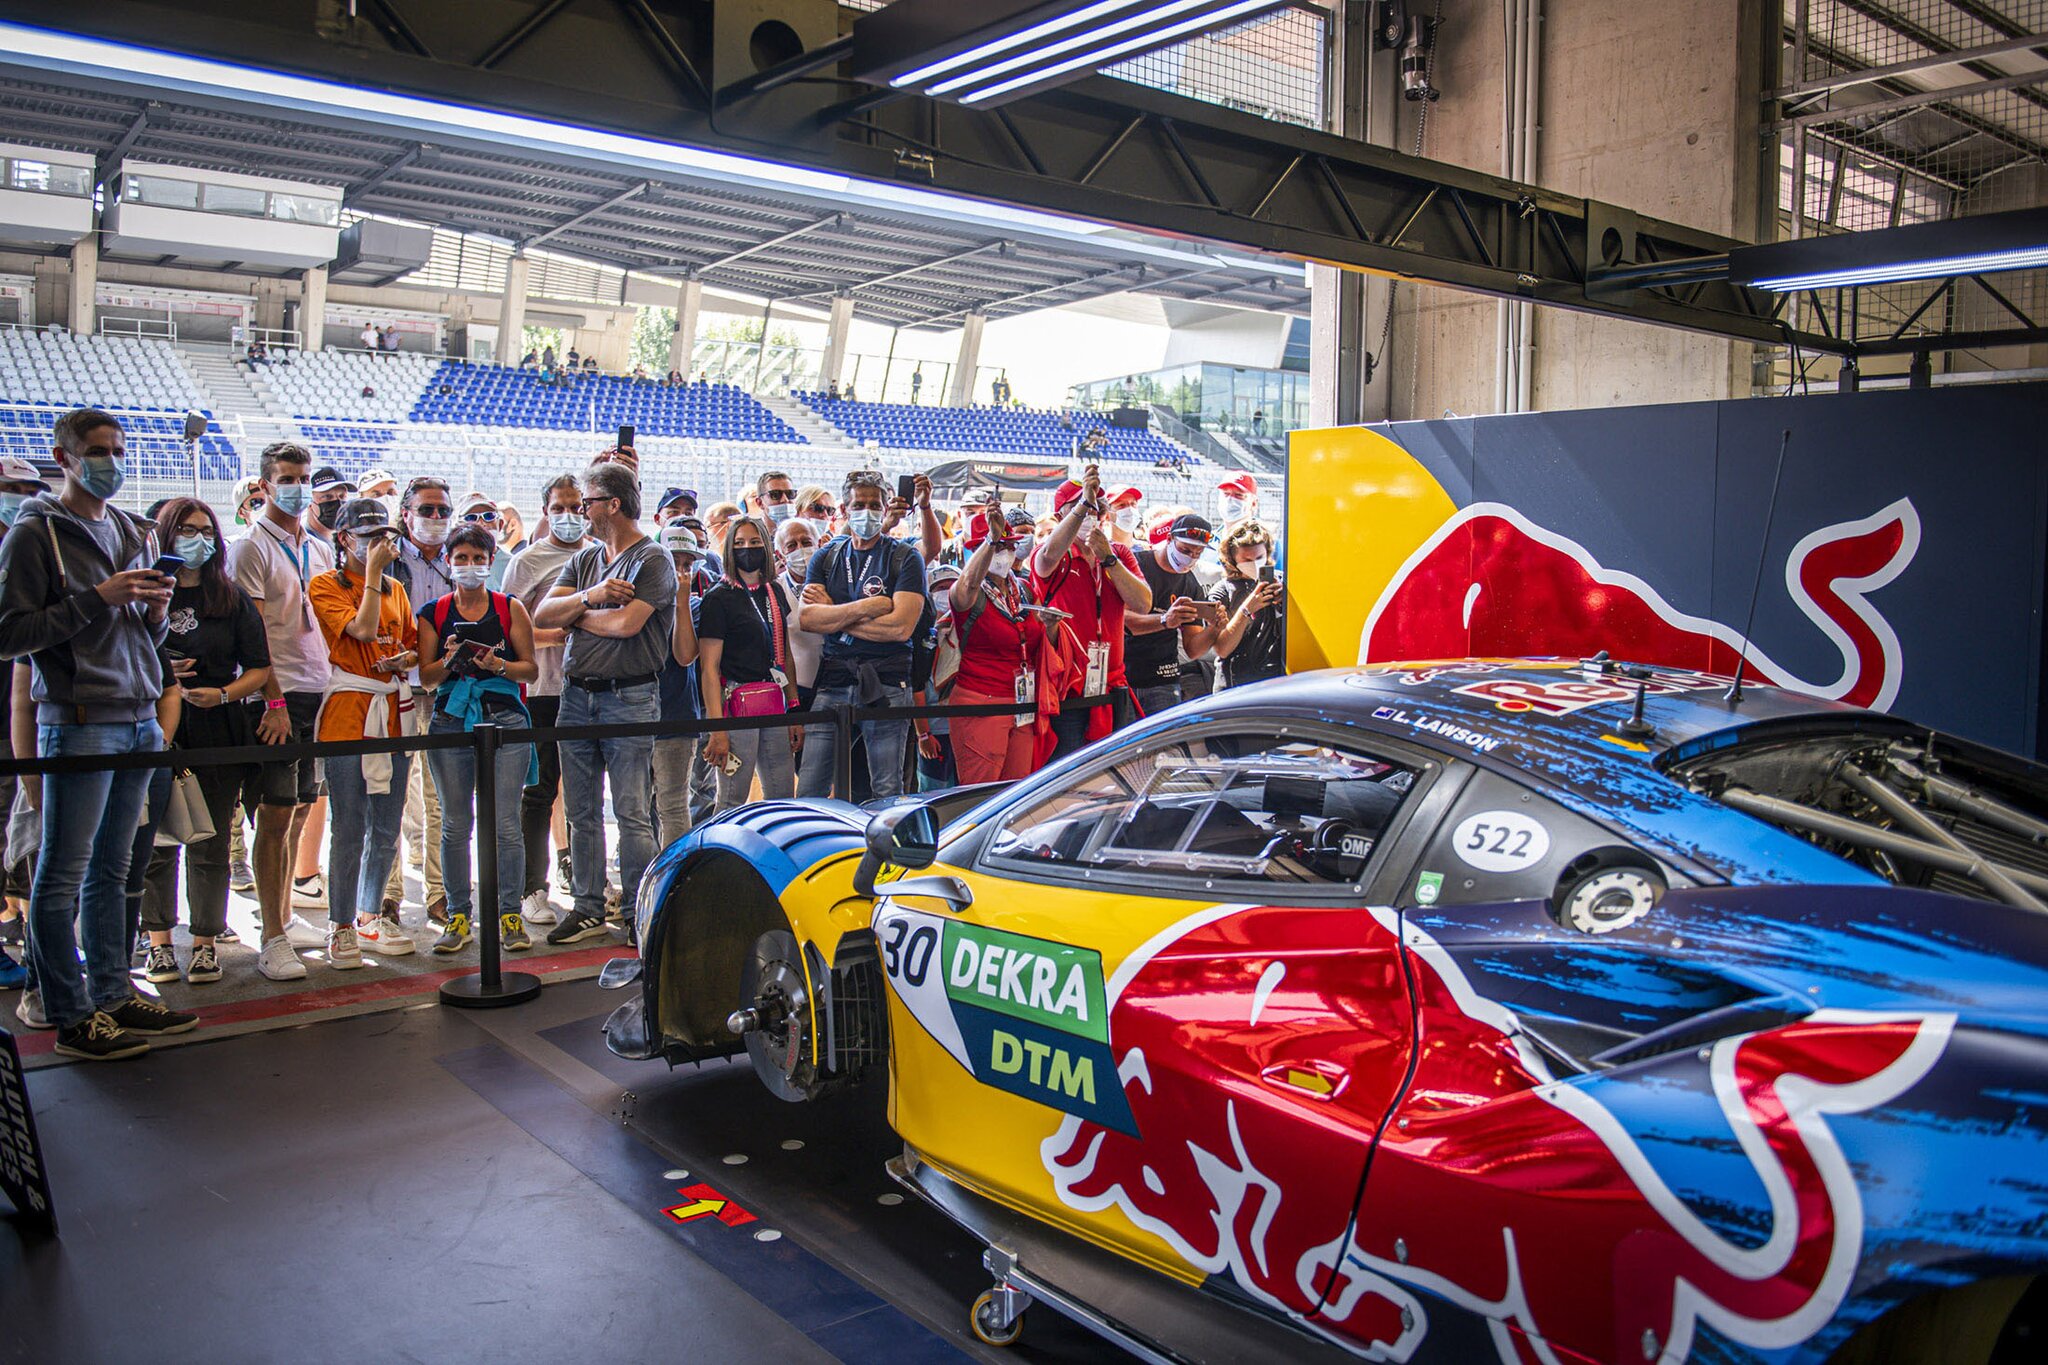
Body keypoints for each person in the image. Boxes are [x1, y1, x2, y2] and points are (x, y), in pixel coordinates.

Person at [0, 408, 196, 1059]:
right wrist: (99, 598)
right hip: (80, 721)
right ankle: (68, 1012)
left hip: (139, 716)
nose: (111, 460)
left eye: (117, 449)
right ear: (65, 457)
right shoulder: (34, 533)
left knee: (117, 868)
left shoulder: (129, 528)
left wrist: (155, 612)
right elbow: (11, 634)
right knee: (62, 872)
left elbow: (141, 636)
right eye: (98, 450)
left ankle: (113, 991)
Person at [532, 460, 678, 946]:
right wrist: (591, 597)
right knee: (581, 812)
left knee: (632, 812)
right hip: (576, 696)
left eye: (587, 503)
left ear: (612, 505)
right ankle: (588, 906)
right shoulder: (587, 561)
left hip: (630, 696)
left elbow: (626, 625)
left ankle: (638, 910)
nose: (581, 512)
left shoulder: (653, 559)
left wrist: (576, 615)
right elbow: (543, 613)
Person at [140, 498, 270, 986]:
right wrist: (161, 671)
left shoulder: (230, 598)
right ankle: (158, 942)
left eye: (205, 530)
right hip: (157, 725)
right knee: (156, 841)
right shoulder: (146, 591)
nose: (198, 539)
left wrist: (223, 694)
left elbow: (259, 667)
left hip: (218, 726)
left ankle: (204, 943)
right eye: (186, 530)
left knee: (210, 840)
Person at [227, 441, 334, 980]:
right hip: (278, 695)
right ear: (265, 485)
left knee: (299, 810)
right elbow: (253, 635)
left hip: (318, 690)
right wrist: (271, 700)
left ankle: (286, 916)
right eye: (287, 478)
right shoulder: (251, 547)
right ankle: (270, 936)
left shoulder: (318, 547)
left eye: (304, 477)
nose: (298, 487)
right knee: (272, 814)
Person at [417, 524, 540, 954]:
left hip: (505, 717)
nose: (470, 566)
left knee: (506, 822)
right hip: (452, 718)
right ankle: (457, 914)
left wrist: (497, 665)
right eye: (461, 558)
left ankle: (509, 914)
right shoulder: (433, 612)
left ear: (490, 561)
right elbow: (426, 677)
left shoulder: (509, 607)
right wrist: (451, 660)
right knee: (454, 823)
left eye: (478, 558)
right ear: (449, 562)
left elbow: (530, 669)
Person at [308, 499, 417, 967]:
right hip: (348, 713)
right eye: (368, 537)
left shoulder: (397, 588)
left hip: (392, 709)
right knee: (349, 826)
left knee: (386, 827)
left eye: (383, 537)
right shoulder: (325, 585)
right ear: (344, 538)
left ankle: (371, 914)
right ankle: (341, 924)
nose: (378, 545)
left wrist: (405, 660)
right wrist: (372, 573)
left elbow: (409, 644)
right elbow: (364, 629)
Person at [795, 470, 927, 800]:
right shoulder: (827, 556)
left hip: (887, 681)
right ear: (844, 509)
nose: (866, 512)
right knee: (811, 786)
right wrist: (870, 606)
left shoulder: (904, 557)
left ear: (885, 509)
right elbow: (808, 619)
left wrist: (834, 614)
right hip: (834, 679)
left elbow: (900, 627)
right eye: (859, 505)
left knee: (886, 788)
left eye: (874, 505)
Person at [503, 474, 583, 925]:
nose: (569, 516)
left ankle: (588, 882)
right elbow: (507, 630)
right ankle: (533, 888)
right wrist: (556, 635)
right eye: (559, 508)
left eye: (576, 507)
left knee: (586, 793)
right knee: (539, 791)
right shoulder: (527, 561)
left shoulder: (600, 554)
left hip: (588, 688)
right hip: (541, 693)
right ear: (545, 512)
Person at [1030, 466, 1150, 758]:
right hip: (1067, 690)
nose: (1090, 511)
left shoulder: (1118, 553)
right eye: (1081, 505)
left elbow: (1143, 603)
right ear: (1060, 515)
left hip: (1112, 686)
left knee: (1115, 772)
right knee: (1069, 772)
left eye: (1095, 505)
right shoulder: (1054, 554)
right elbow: (1045, 559)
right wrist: (1083, 504)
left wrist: (1108, 559)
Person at [387, 475, 453, 927]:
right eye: (426, 510)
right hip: (396, 689)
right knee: (391, 796)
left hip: (442, 690)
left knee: (440, 800)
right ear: (406, 513)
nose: (435, 518)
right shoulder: (389, 561)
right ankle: (388, 894)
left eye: (442, 510)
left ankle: (439, 892)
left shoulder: (459, 560)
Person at [698, 516, 797, 811]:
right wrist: (718, 729)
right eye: (739, 543)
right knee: (732, 798)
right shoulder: (718, 597)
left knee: (782, 796)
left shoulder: (774, 590)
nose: (747, 549)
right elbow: (709, 669)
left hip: (774, 701)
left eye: (754, 542)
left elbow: (785, 653)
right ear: (729, 549)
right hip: (736, 704)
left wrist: (794, 708)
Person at [946, 511, 1048, 784]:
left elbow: (1037, 639)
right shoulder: (967, 592)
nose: (1005, 552)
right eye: (997, 546)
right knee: (981, 790)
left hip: (1022, 703)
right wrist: (991, 539)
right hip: (981, 702)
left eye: (1009, 545)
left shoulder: (1024, 589)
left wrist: (1051, 626)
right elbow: (969, 582)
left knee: (1017, 790)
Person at [1124, 513, 1221, 717]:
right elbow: (1120, 620)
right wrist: (1164, 620)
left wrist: (1215, 628)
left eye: (1198, 553)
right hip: (1125, 675)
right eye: (1185, 550)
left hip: (1163, 679)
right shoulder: (1136, 564)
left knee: (1165, 738)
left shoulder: (1191, 585)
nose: (1190, 557)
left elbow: (1193, 648)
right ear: (1169, 539)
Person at [651, 518, 705, 849]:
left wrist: (681, 602)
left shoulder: (695, 605)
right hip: (635, 714)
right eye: (673, 562)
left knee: (672, 805)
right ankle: (641, 873)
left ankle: (673, 875)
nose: (682, 571)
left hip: (677, 715)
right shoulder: (640, 603)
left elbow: (685, 655)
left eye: (688, 564)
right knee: (637, 808)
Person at [1210, 521, 1284, 689]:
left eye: (1259, 558)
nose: (1255, 564)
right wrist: (1247, 609)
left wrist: (1285, 603)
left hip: (1274, 679)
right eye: (1247, 560)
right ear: (1232, 559)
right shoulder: (1222, 591)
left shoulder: (1281, 582)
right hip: (1233, 683)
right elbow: (1222, 649)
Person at [308, 466, 355, 545]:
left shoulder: (348, 541)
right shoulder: (302, 542)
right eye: (327, 497)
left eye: (342, 496)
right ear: (309, 501)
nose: (338, 503)